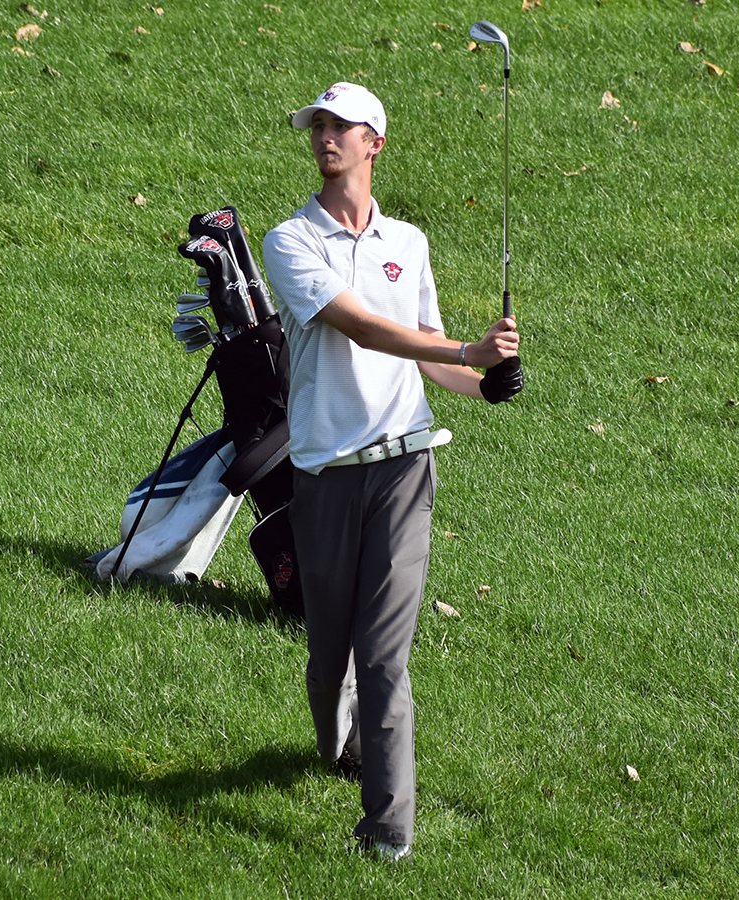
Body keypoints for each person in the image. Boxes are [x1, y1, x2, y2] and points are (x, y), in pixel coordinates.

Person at [261, 81, 524, 861]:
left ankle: (388, 832)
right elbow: (367, 330)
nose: (324, 137)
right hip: (326, 476)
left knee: (381, 658)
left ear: (375, 142)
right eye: (317, 126)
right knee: (328, 659)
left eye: (340, 127)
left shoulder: (409, 242)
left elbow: (425, 351)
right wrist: (463, 353)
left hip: (405, 468)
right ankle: (341, 750)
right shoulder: (292, 242)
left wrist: (483, 383)